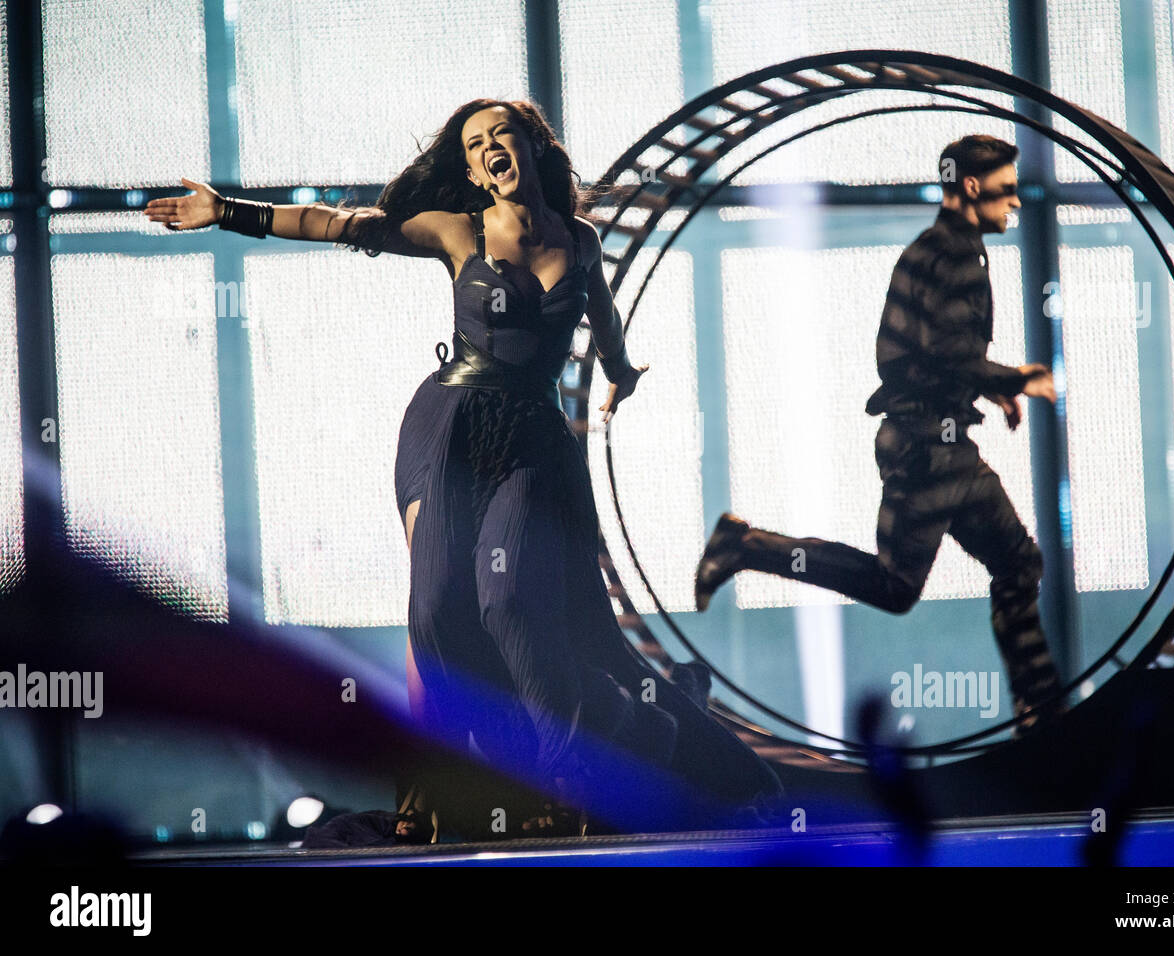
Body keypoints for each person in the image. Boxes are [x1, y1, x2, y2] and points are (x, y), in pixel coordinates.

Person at [144, 98, 782, 832]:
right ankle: (460, 781)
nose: (487, 151)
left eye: (499, 136)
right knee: (440, 603)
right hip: (452, 424)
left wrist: (623, 372)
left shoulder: (581, 241)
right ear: (472, 168)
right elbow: (337, 223)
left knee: (510, 602)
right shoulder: (460, 231)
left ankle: (561, 778)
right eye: (474, 146)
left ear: (531, 145)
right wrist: (227, 210)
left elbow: (603, 324)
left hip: (535, 438)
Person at [694, 134, 1067, 734]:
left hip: (938, 446)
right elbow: (945, 352)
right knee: (905, 585)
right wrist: (1016, 378)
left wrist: (986, 386)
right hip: (929, 451)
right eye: (1007, 187)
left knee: (1017, 563)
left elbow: (921, 354)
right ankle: (746, 546)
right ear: (972, 187)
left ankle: (1041, 711)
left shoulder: (937, 249)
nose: (1017, 202)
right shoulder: (955, 257)